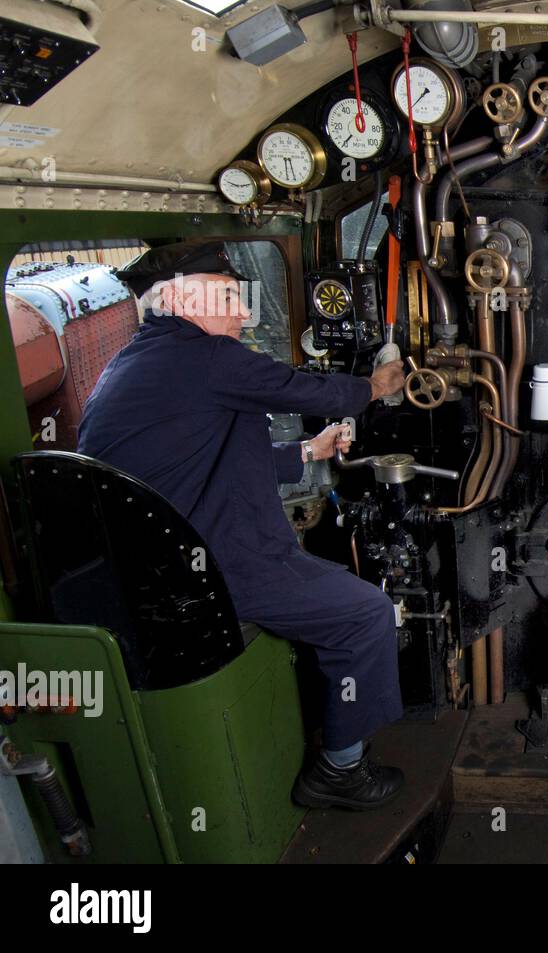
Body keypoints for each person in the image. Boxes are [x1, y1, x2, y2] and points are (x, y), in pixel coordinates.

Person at [77, 241, 409, 810]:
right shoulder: (204, 357)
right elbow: (303, 388)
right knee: (366, 613)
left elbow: (210, 457)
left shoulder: (139, 362)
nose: (244, 312)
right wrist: (376, 387)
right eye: (230, 296)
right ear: (179, 298)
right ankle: (339, 771)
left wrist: (307, 451)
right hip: (207, 572)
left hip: (158, 567)